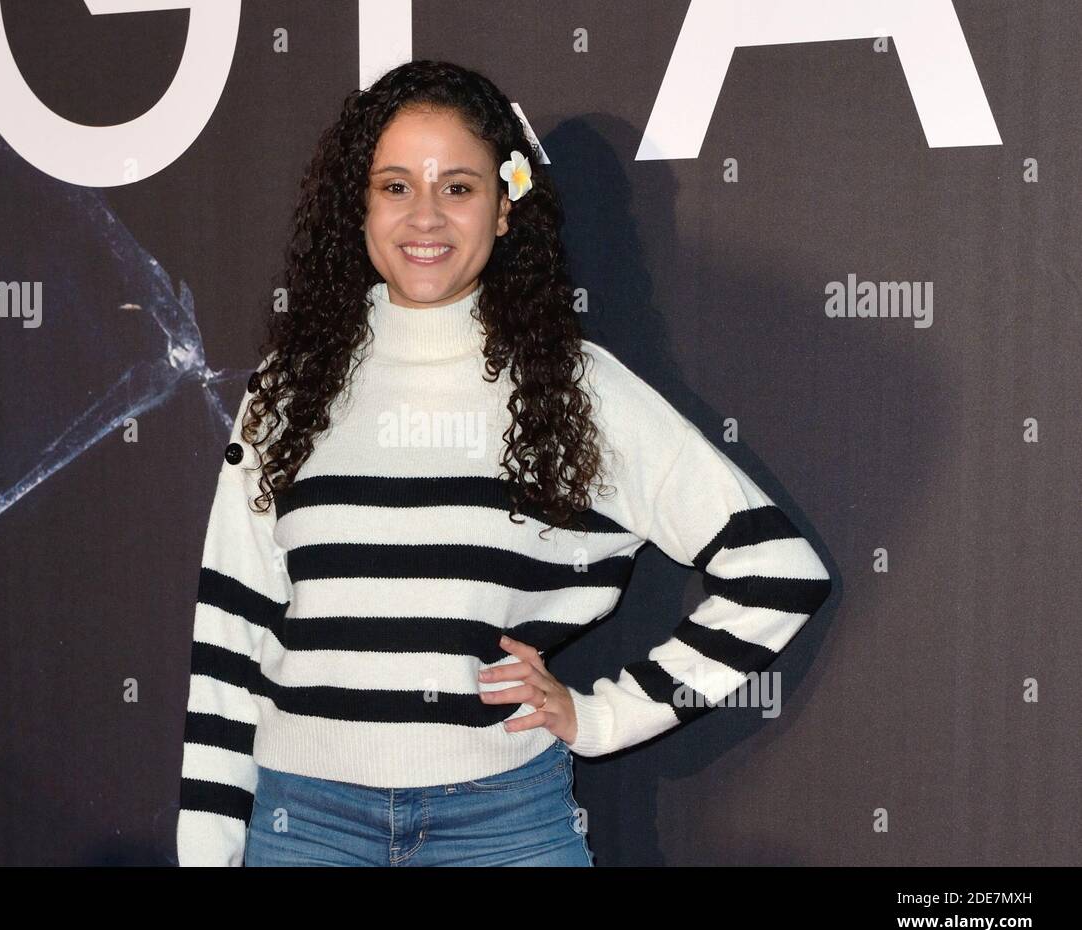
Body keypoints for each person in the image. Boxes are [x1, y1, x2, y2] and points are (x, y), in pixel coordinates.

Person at [176, 60, 832, 867]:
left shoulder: (571, 385)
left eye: (457, 187)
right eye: (394, 187)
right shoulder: (289, 386)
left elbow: (776, 570)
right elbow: (229, 637)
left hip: (502, 827)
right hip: (303, 826)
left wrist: (604, 719)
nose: (425, 217)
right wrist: (206, 851)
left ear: (504, 207)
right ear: (359, 206)